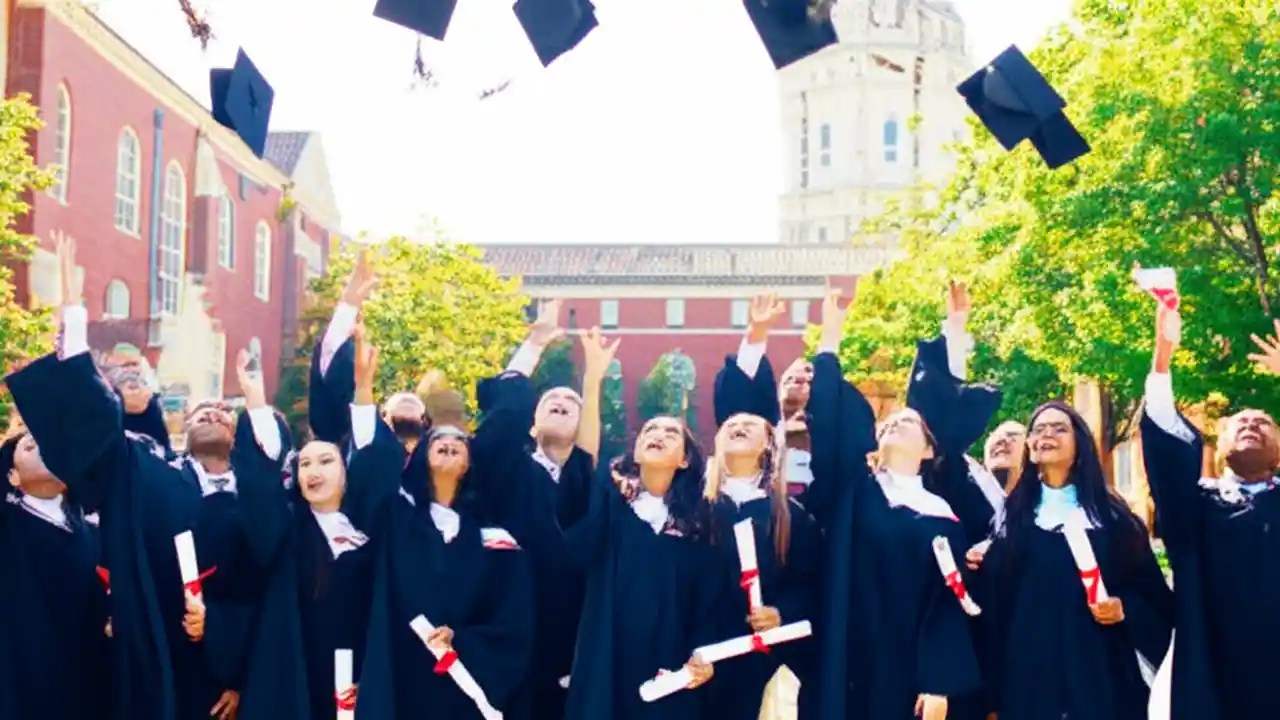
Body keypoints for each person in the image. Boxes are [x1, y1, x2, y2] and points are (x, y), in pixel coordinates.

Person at [8, 237, 289, 720]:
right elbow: (96, 431)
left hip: (227, 678)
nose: (214, 413)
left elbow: (269, 583)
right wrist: (74, 321)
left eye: (226, 411)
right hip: (154, 665)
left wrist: (234, 662)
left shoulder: (255, 495)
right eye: (204, 409)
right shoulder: (150, 473)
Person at [807, 284, 980, 720]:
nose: (895, 425)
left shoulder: (944, 513)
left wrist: (940, 681)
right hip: (846, 656)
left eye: (908, 422)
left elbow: (947, 603)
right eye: (889, 423)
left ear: (929, 450)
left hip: (909, 668)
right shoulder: (851, 491)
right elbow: (827, 425)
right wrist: (829, 341)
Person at [347, 325, 537, 720]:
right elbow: (369, 466)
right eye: (438, 439)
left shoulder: (493, 539)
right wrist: (364, 391)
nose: (450, 442)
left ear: (472, 461)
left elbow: (511, 620)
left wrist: (463, 641)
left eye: (460, 441)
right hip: (398, 679)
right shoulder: (396, 518)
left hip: (462, 688)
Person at [978, 400, 1173, 719]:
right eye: (1038, 429)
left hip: (1100, 676)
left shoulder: (1113, 521)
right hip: (1028, 678)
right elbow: (996, 607)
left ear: (1080, 444)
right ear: (1029, 446)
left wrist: (1123, 608)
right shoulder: (1011, 519)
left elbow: (1154, 598)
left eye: (1059, 428)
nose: (1047, 434)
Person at [1139, 299, 1280, 720]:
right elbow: (1165, 447)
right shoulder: (1196, 508)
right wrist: (1162, 360)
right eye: (1241, 423)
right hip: (1214, 677)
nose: (1252, 425)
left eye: (1264, 422)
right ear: (1217, 449)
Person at [235, 348, 377, 720]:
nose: (313, 470)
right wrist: (255, 402)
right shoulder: (286, 530)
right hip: (293, 675)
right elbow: (260, 485)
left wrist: (364, 392)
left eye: (326, 461)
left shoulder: (370, 534)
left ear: (347, 474)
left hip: (356, 676)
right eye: (305, 463)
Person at [493, 300, 617, 720]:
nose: (561, 403)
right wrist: (533, 344)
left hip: (568, 633)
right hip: (511, 624)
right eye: (550, 401)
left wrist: (593, 379)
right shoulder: (511, 467)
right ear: (531, 421)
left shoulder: (582, 481)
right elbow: (502, 412)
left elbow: (589, 450)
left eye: (571, 402)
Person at [704, 294, 822, 720]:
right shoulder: (692, 505)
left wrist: (783, 612)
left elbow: (810, 580)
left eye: (750, 425)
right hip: (688, 648)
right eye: (730, 424)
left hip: (755, 651)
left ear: (770, 444)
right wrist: (754, 337)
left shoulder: (790, 516)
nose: (736, 425)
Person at [0, 374, 110, 719]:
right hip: (17, 686)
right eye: (31, 444)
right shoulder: (8, 524)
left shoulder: (93, 533)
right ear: (12, 476)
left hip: (80, 689)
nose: (45, 447)